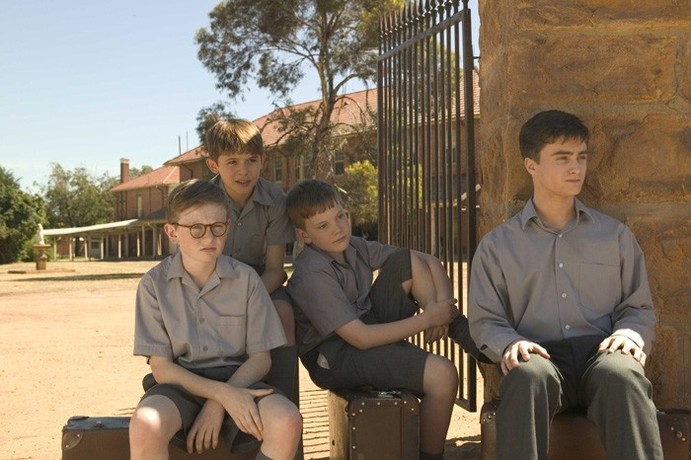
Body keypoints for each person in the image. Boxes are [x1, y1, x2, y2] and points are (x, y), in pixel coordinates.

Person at [468, 110, 663, 459]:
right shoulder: (497, 246)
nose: (576, 167)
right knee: (527, 377)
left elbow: (638, 307)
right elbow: (485, 319)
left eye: (581, 157)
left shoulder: (614, 236)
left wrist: (631, 333)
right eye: (562, 158)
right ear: (531, 165)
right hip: (537, 354)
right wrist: (509, 343)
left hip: (600, 354)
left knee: (624, 375)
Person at [285, 179, 480, 460]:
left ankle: (459, 328)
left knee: (407, 261)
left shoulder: (353, 246)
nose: (338, 228)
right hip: (334, 355)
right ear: (304, 235)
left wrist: (442, 310)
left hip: (364, 326)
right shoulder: (311, 272)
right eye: (323, 225)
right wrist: (428, 319)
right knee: (443, 375)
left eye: (340, 216)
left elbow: (427, 261)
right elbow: (360, 338)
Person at [129, 179, 302, 460]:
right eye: (196, 228)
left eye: (217, 227)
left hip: (242, 382)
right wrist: (220, 395)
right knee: (145, 425)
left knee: (287, 420)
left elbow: (261, 359)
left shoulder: (247, 280)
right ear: (172, 232)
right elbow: (162, 368)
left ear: (228, 227)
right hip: (179, 386)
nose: (209, 238)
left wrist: (219, 402)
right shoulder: (153, 285)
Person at [204, 117, 299, 400]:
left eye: (251, 160)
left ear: (262, 161)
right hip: (211, 281)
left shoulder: (275, 199)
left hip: (261, 281)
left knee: (282, 313)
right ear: (214, 165)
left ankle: (285, 402)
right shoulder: (202, 200)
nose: (243, 171)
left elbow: (275, 270)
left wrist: (244, 300)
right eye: (232, 162)